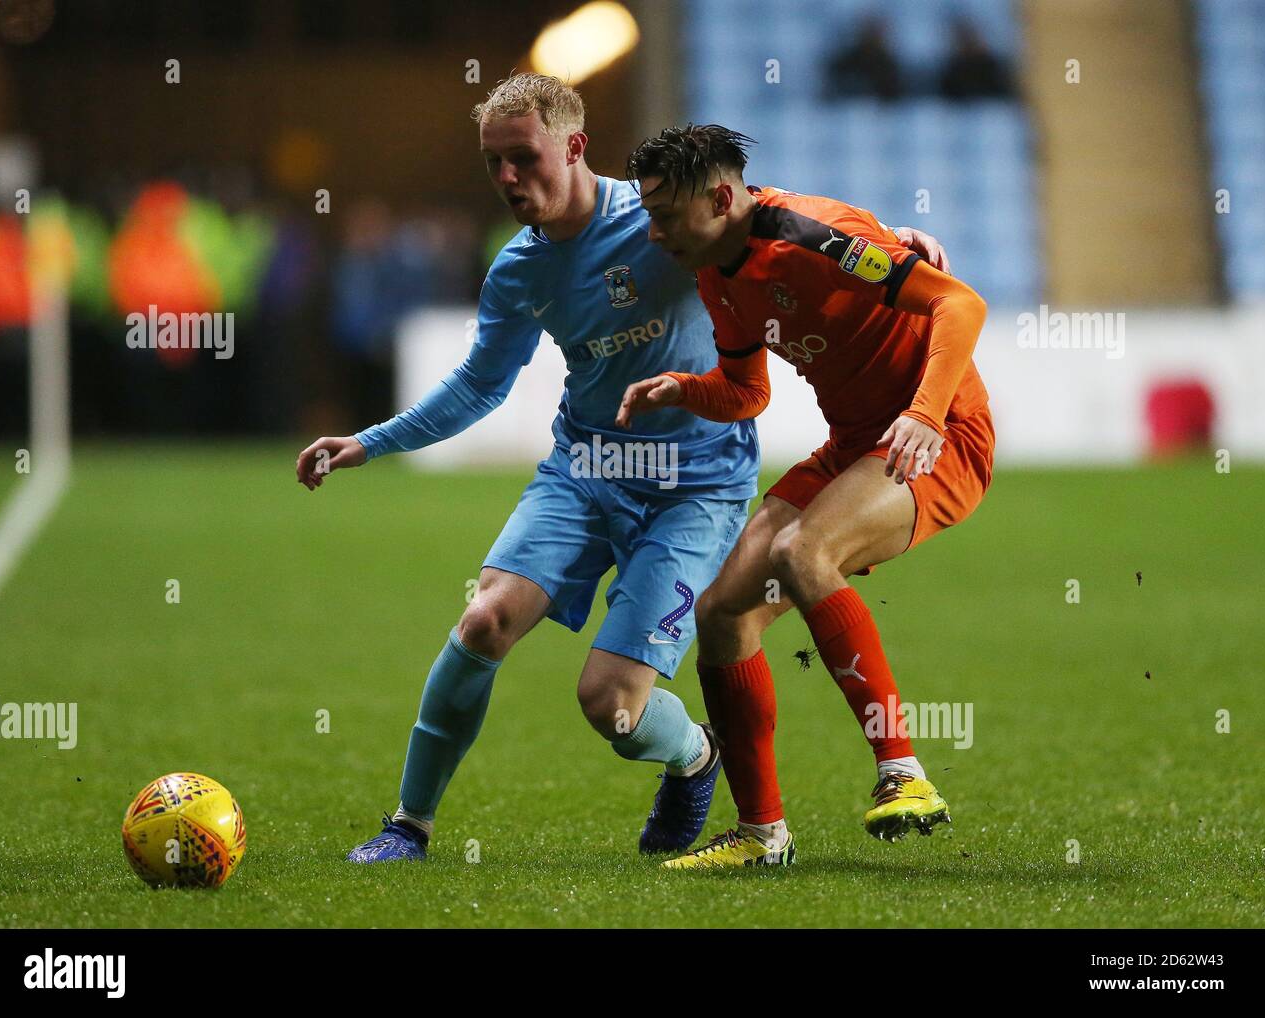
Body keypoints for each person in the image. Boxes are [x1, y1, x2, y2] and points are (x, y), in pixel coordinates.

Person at [297, 78, 949, 864]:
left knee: (610, 706)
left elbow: (761, 209)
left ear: (574, 146)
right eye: (493, 163)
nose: (507, 178)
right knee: (483, 620)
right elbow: (480, 384)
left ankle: (695, 757)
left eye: (522, 157)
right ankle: (409, 826)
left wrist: (885, 239)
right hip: (585, 468)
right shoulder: (519, 271)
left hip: (697, 488)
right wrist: (369, 442)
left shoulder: (662, 220)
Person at [617, 125, 993, 868]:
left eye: (665, 215)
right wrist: (684, 390)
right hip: (854, 445)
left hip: (939, 433)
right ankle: (762, 836)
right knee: (721, 614)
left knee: (803, 549)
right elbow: (747, 392)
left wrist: (922, 411)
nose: (654, 233)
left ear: (722, 197)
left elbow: (960, 304)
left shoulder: (816, 237)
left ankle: (904, 774)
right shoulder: (717, 271)